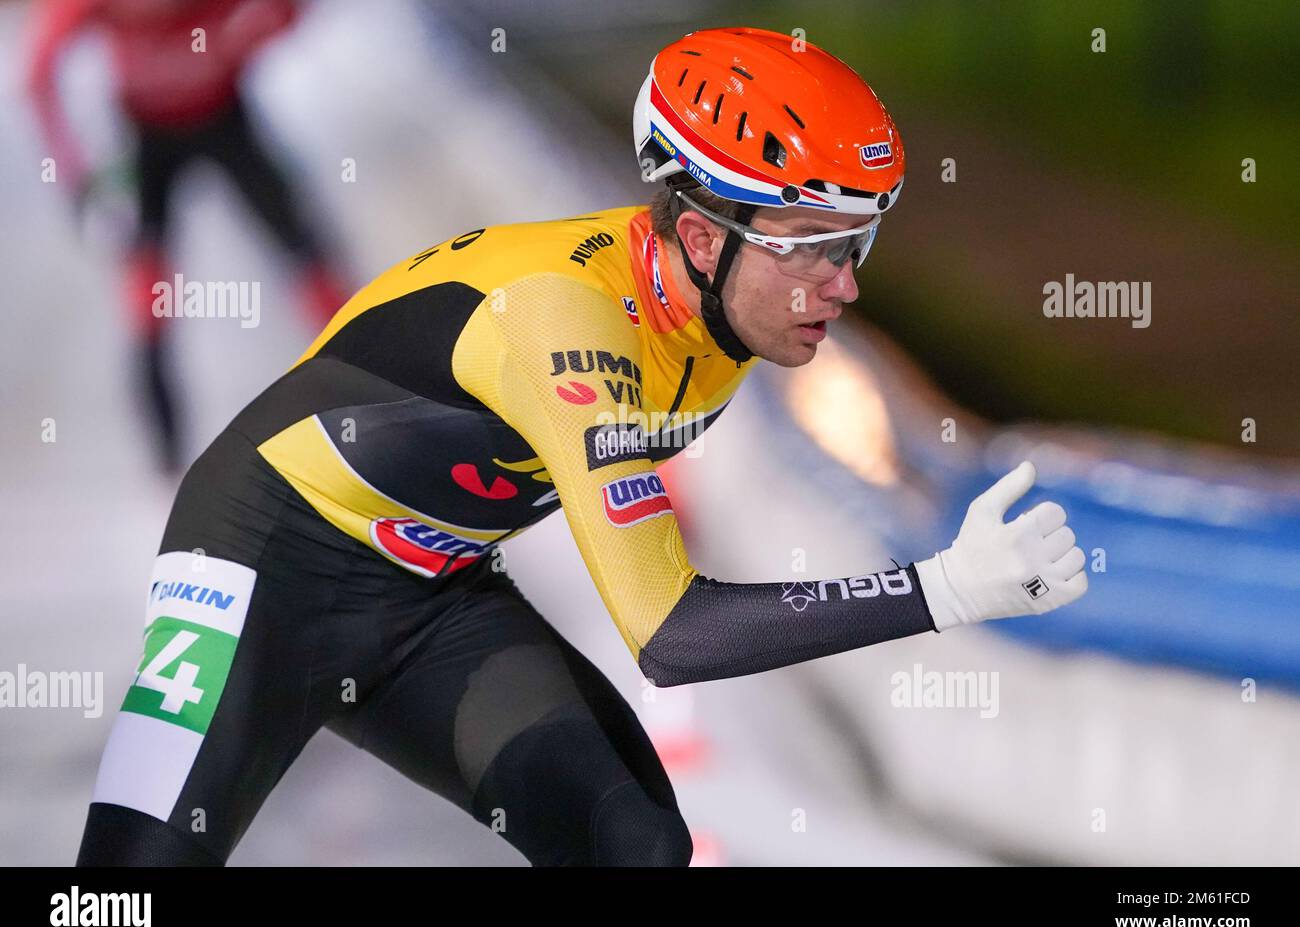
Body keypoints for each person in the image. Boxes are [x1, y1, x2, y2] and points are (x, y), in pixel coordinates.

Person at [75, 26, 1087, 867]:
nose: (845, 284)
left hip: (430, 593)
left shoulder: (731, 313)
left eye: (856, 240)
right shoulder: (567, 319)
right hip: (258, 557)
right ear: (703, 236)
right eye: (813, 244)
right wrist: (942, 589)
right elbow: (673, 635)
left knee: (632, 844)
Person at [27, 0, 351, 473]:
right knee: (147, 297)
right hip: (147, 138)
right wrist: (76, 177)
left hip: (226, 118)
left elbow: (291, 13)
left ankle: (371, 403)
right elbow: (38, 75)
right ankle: (168, 466)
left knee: (310, 260)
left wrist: (234, 46)